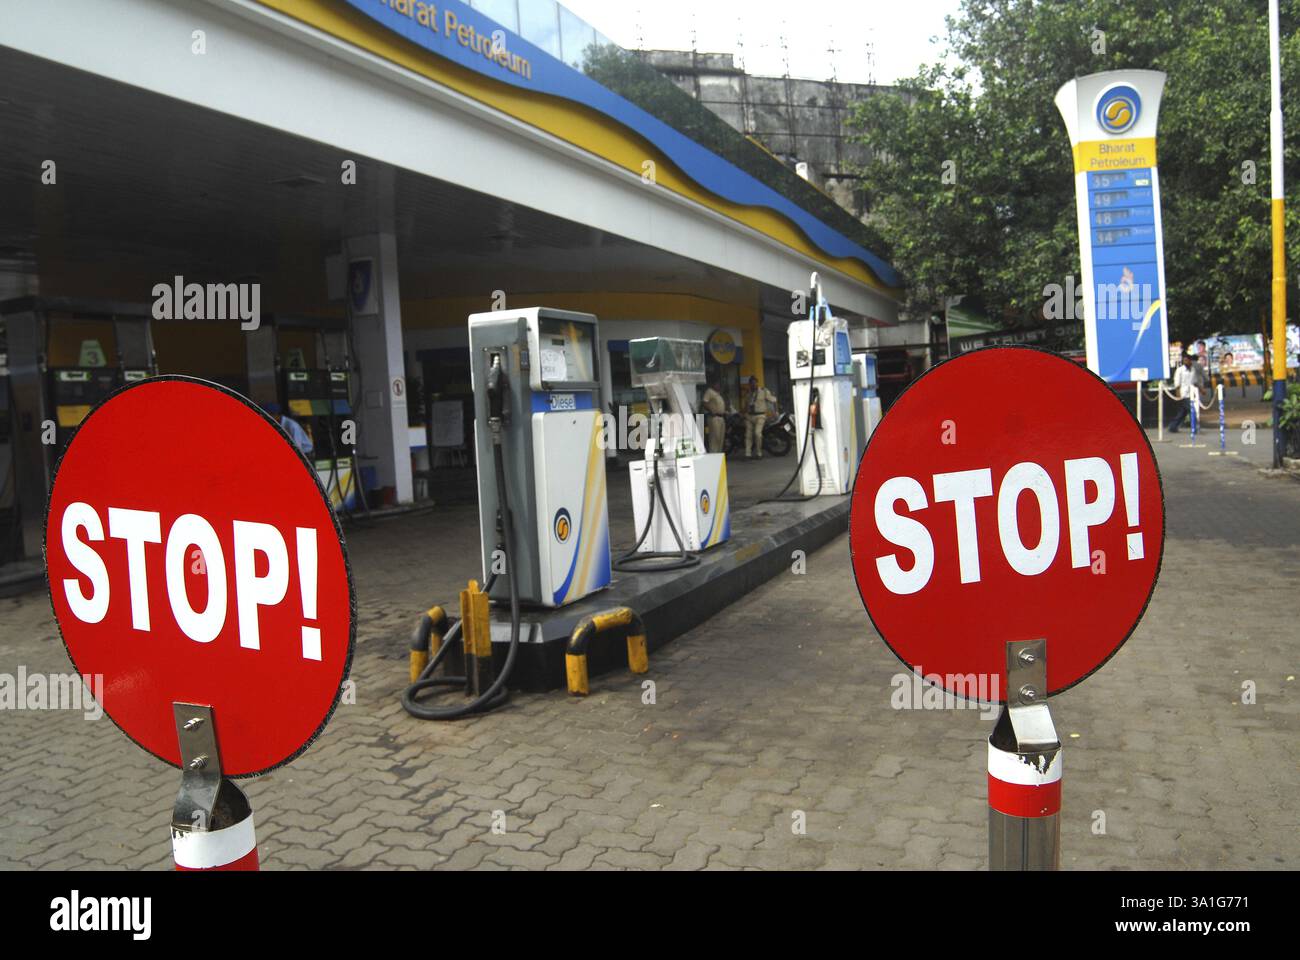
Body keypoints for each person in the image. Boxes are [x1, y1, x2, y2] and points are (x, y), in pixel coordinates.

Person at [1167, 351, 1205, 433]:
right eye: (1184, 360)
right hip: (1183, 394)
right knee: (1192, 410)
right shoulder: (1180, 370)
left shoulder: (1193, 370)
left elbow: (1195, 381)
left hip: (1191, 393)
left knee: (1183, 413)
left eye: (1187, 360)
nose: (1186, 362)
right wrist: (1178, 395)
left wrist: (1201, 389)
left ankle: (1173, 426)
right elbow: (1177, 383)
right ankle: (1194, 428)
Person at [743, 375, 777, 458]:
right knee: (748, 435)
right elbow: (746, 405)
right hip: (749, 416)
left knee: (757, 433)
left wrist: (775, 411)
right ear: (749, 384)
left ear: (757, 383)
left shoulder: (763, 391)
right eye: (751, 384)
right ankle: (748, 454)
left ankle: (759, 452)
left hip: (760, 416)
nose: (753, 385)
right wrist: (743, 414)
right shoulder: (748, 393)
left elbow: (773, 400)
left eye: (754, 383)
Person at [700, 377, 726, 453]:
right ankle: (713, 454)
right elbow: (704, 402)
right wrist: (711, 410)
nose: (718, 385)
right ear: (713, 384)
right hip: (714, 418)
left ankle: (719, 455)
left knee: (720, 439)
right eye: (717, 384)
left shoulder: (718, 393)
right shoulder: (709, 391)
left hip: (721, 417)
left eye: (719, 384)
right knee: (715, 438)